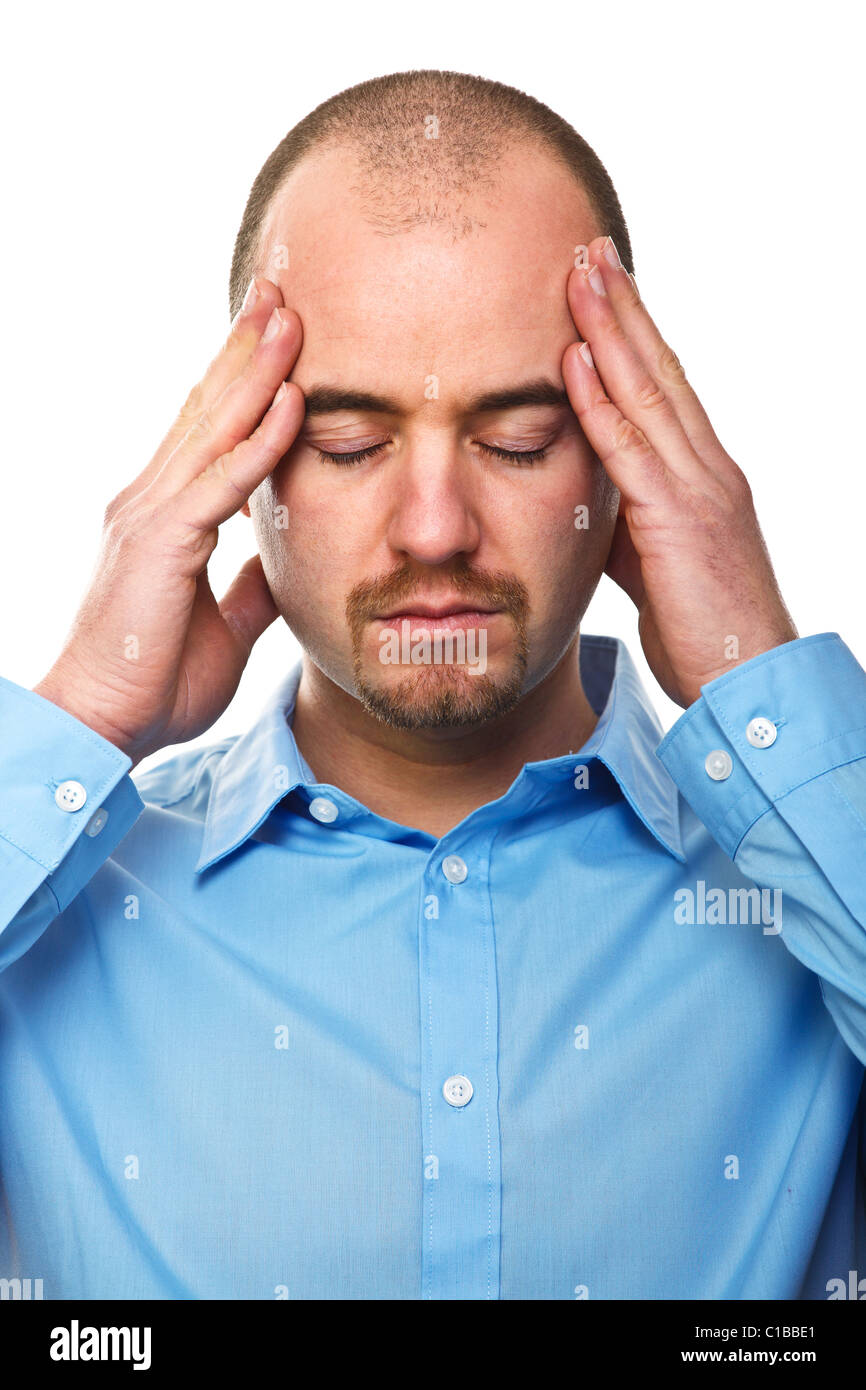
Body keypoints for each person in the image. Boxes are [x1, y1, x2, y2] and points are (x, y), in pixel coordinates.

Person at [1, 69, 864, 1302]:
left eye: (517, 441)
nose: (433, 528)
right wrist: (84, 707)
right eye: (348, 445)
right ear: (235, 465)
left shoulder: (805, 888)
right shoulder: (61, 903)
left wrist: (756, 672)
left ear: (624, 458)